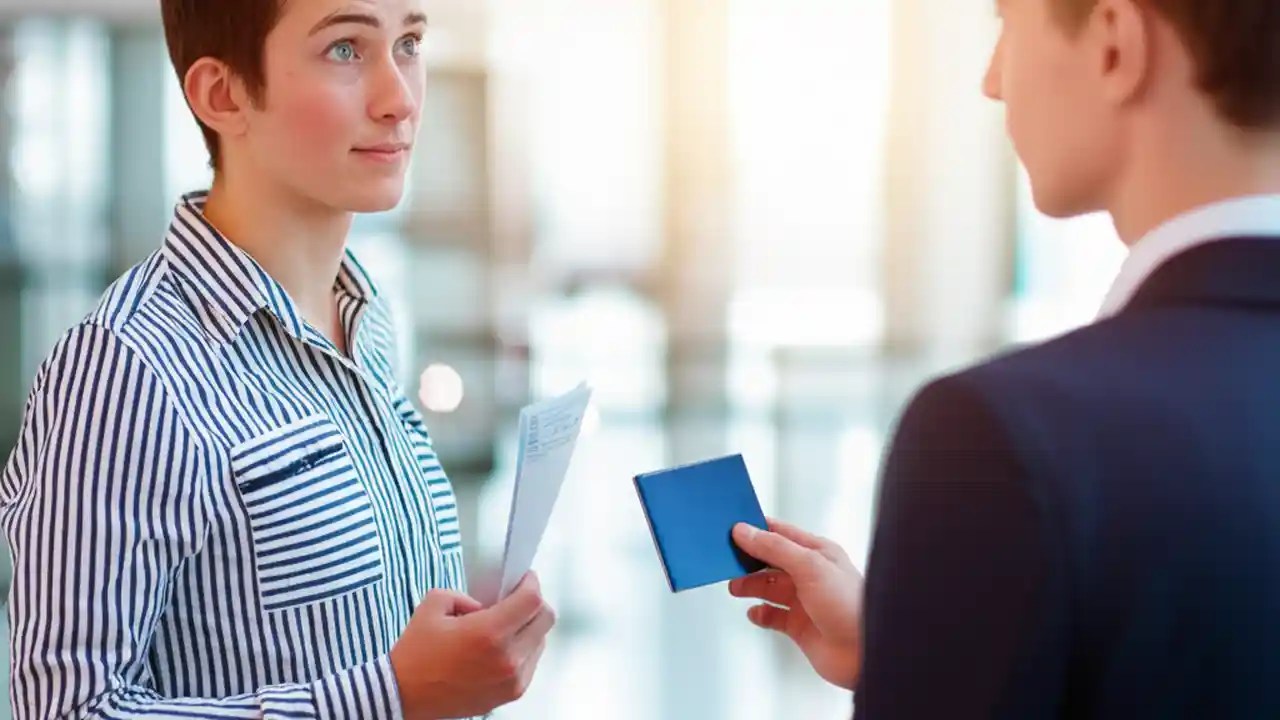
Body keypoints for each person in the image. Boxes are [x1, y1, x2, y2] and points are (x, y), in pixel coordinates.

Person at [0, 0, 554, 718]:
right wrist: (392, 695)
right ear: (222, 94)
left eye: (409, 43)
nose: (399, 98)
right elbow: (69, 709)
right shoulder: (125, 367)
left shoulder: (364, 321)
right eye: (346, 50)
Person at [731, 0, 1280, 717]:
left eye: (1006, 27)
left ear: (1114, 43)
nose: (992, 82)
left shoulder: (1003, 433)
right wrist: (925, 652)